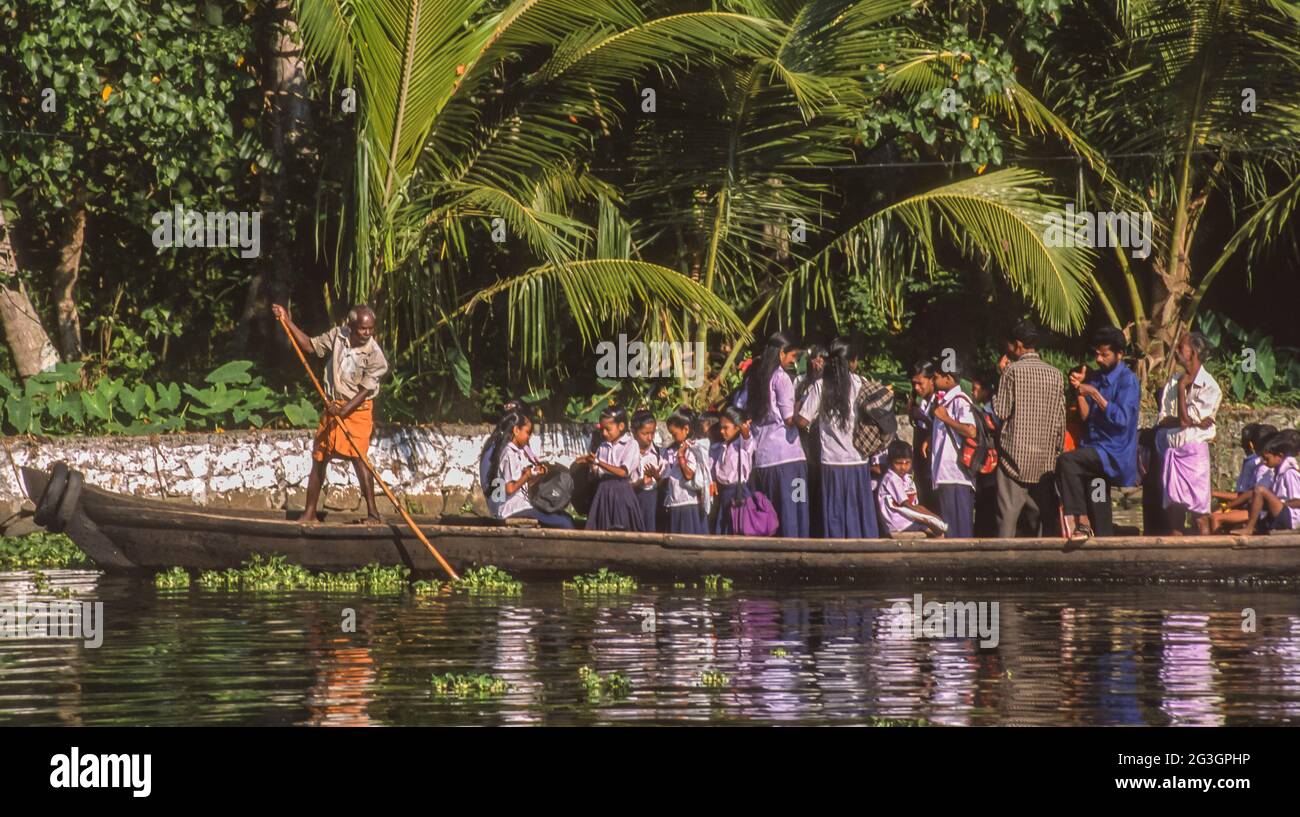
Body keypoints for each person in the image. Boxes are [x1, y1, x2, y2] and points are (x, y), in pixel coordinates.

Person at [272, 303, 389, 525]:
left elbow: (365, 390)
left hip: (357, 410)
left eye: (371, 329)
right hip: (334, 407)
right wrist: (287, 320)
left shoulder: (375, 354)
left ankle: (373, 514)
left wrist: (344, 410)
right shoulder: (338, 335)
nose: (367, 333)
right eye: (363, 329)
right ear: (350, 325)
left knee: (359, 459)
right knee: (320, 457)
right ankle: (309, 513)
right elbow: (310, 347)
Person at [1057, 326, 1140, 541]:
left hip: (1114, 452)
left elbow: (1121, 419)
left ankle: (1081, 521)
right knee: (1097, 491)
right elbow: (1086, 417)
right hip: (1095, 449)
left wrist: (1093, 393)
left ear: (1119, 354)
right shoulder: (1096, 377)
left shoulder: (1128, 381)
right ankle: (1105, 539)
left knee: (1068, 462)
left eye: (1105, 355)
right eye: (1097, 354)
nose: (1099, 359)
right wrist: (1080, 391)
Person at [796, 337, 880, 539]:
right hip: (858, 460)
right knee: (858, 515)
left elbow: (802, 421)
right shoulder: (861, 384)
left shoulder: (820, 386)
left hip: (831, 462)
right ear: (852, 361)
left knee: (834, 516)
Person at [993, 320, 1066, 538]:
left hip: (1012, 459)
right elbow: (1060, 419)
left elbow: (1001, 411)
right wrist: (1057, 451)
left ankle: (1002, 564)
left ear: (1017, 344)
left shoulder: (1012, 371)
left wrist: (1000, 375)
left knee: (1006, 519)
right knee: (1044, 520)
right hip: (1044, 461)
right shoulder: (1056, 375)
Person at [733, 331, 809, 537]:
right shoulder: (781, 378)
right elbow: (789, 419)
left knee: (772, 510)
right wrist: (804, 404)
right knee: (797, 506)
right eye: (793, 356)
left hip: (763, 460)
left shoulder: (754, 379)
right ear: (782, 353)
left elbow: (739, 407)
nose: (794, 362)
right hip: (790, 459)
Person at [1154, 332, 1222, 535]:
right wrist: (1193, 421)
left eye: (1181, 347)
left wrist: (1183, 389)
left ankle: (1206, 562)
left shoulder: (1210, 386)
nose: (1176, 351)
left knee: (1200, 514)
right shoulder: (1173, 382)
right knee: (1174, 513)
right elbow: (1163, 420)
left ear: (1192, 352)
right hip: (1173, 453)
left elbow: (1183, 421)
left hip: (1194, 455)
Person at [484, 411, 574, 528]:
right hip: (513, 509)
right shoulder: (509, 454)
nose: (529, 437)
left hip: (521, 506)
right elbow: (510, 488)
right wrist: (526, 475)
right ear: (516, 430)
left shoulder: (515, 453)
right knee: (564, 523)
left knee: (566, 518)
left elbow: (520, 484)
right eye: (527, 432)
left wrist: (535, 475)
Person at [929, 359, 978, 538]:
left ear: (948, 378)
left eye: (936, 377)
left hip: (956, 475)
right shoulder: (946, 400)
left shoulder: (960, 400)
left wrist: (946, 418)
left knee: (960, 528)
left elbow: (971, 430)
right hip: (946, 475)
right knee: (949, 527)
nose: (933, 381)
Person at [576, 405, 643, 531]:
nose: (604, 433)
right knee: (602, 530)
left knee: (621, 531)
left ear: (621, 426)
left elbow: (623, 472)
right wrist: (591, 465)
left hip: (621, 493)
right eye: (602, 429)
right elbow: (594, 477)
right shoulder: (603, 446)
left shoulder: (631, 444)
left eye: (608, 429)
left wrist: (598, 462)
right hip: (603, 493)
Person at [1209, 423, 1276, 534]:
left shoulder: (1259, 465)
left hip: (1258, 511)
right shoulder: (1261, 463)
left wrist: (1225, 504)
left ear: (1251, 444)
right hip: (1252, 507)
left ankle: (1217, 549)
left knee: (1215, 517)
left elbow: (1246, 494)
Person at [877, 440, 947, 537]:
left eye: (907, 463)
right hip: (899, 523)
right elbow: (907, 505)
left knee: (938, 529)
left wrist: (932, 516)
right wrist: (931, 517)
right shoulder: (891, 478)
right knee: (938, 533)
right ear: (890, 462)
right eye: (899, 463)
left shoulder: (907, 478)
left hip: (909, 520)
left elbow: (916, 505)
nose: (903, 467)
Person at [660, 406, 713, 534]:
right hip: (677, 502)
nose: (673, 437)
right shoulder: (677, 448)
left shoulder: (693, 448)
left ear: (686, 429)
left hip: (689, 503)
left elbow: (689, 475)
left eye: (674, 434)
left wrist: (681, 456)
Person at [711, 406, 754, 535]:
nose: (722, 431)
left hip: (739, 492)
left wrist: (745, 431)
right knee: (724, 527)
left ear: (737, 428)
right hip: (725, 493)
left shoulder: (743, 444)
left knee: (737, 526)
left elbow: (748, 439)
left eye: (726, 428)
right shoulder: (722, 446)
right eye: (721, 427)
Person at [1246, 433, 1300, 534]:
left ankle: (1249, 528)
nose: (1265, 462)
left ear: (1280, 456)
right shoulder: (1276, 473)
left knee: (1260, 490)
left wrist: (1280, 504)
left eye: (1267, 459)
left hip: (1292, 517)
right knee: (1254, 497)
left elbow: (1298, 501)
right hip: (1282, 512)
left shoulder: (1289, 473)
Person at [907, 359, 939, 510]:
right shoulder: (922, 402)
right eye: (914, 384)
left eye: (920, 383)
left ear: (932, 380)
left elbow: (941, 428)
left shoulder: (940, 401)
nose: (917, 388)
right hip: (921, 465)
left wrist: (922, 417)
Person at [631, 409, 663, 532]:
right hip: (631, 498)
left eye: (653, 433)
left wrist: (657, 477)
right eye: (645, 433)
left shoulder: (658, 454)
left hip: (650, 500)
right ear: (634, 432)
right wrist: (639, 482)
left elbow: (665, 485)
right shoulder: (627, 453)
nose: (650, 438)